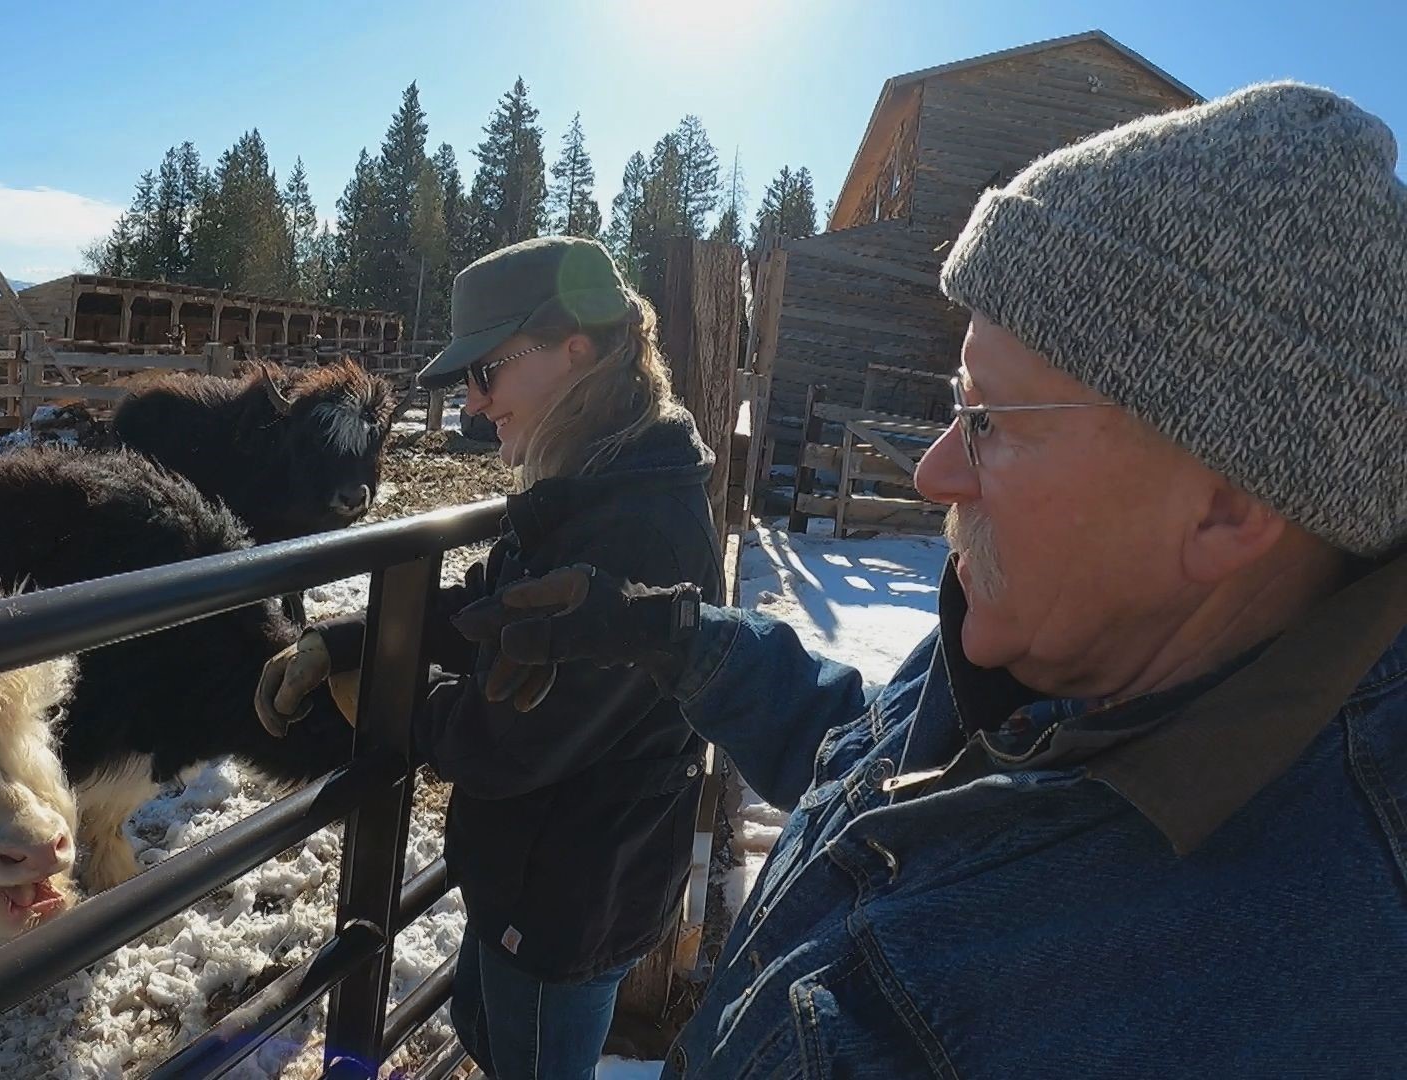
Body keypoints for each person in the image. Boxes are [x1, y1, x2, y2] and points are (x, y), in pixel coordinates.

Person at [453, 82, 1407, 1076]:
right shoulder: (1049, 652)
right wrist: (679, 639)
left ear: (1228, 506)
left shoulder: (1276, 1008)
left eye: (989, 419)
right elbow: (874, 772)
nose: (934, 473)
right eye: (957, 402)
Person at [257, 235, 723, 1079]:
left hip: (569, 898)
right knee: (487, 1029)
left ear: (572, 350)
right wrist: (350, 640)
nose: (473, 404)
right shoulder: (597, 479)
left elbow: (508, 739)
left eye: (486, 372)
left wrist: (392, 699)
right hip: (544, 874)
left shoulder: (634, 530)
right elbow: (490, 609)